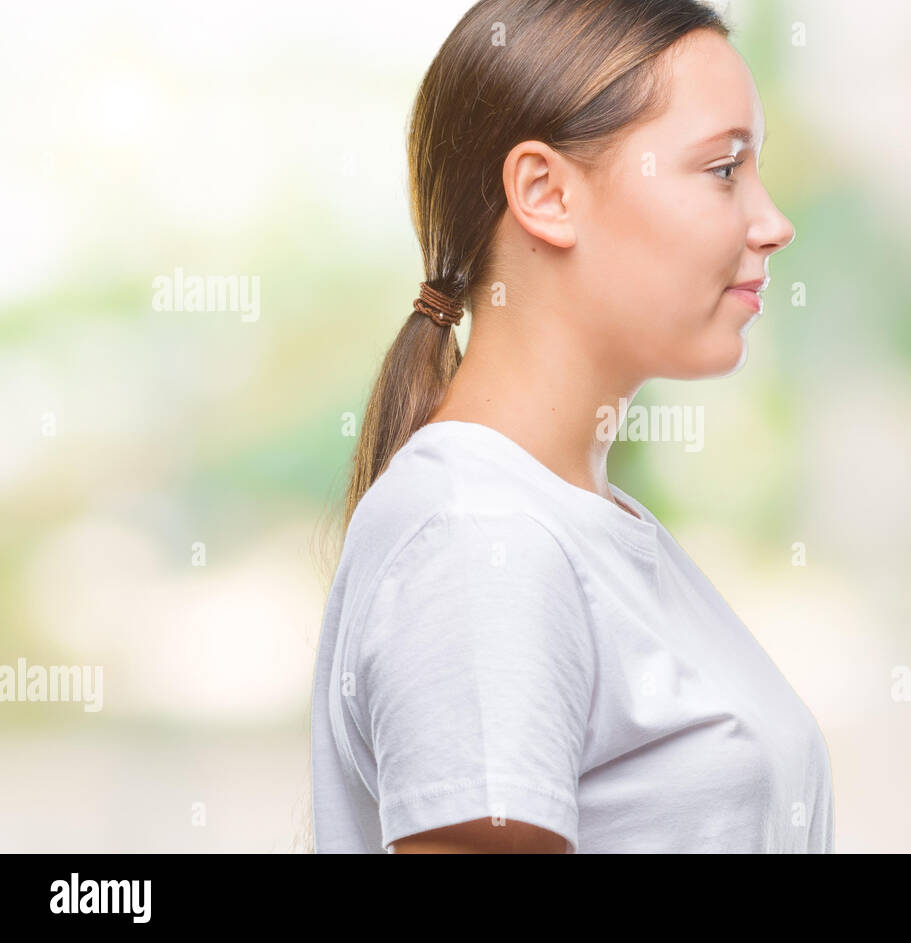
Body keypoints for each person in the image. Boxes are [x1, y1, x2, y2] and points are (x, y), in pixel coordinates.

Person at [310, 0, 833, 853]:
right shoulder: (482, 538)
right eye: (724, 170)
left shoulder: (584, 527)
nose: (773, 224)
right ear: (547, 194)